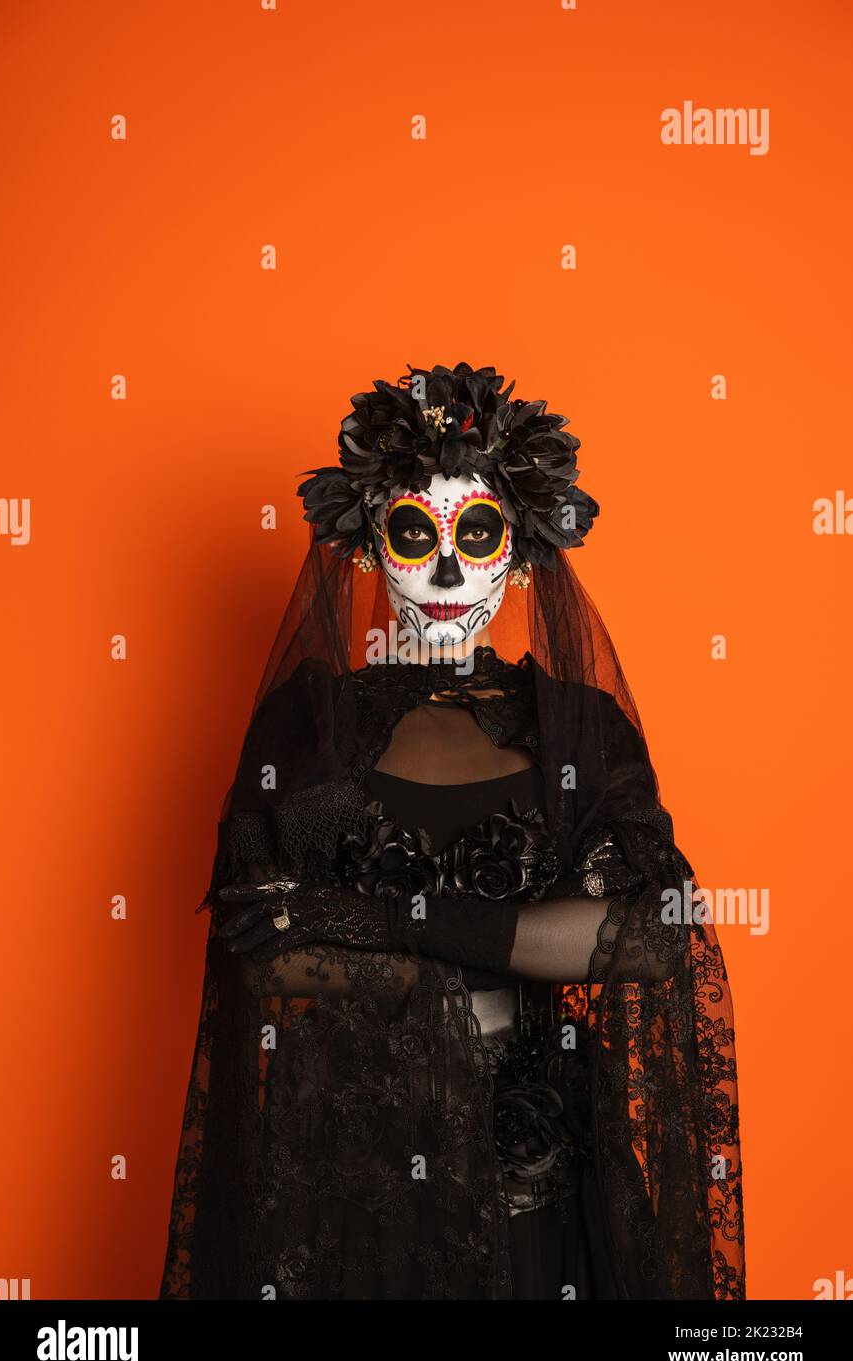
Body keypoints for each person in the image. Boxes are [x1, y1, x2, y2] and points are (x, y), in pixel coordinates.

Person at [159, 361, 745, 1300]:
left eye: (475, 535)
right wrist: (517, 945)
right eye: (411, 532)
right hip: (349, 1170)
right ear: (363, 550)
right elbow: (260, 948)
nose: (442, 569)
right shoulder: (308, 726)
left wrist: (384, 921)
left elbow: (649, 934)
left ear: (518, 554)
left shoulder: (575, 726)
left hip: (534, 1169)